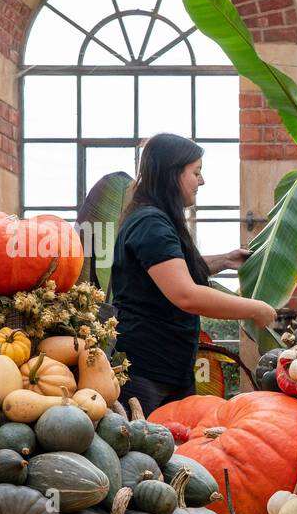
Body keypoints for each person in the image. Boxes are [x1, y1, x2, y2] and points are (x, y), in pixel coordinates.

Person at [112, 133, 278, 415]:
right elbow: (185, 294)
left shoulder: (155, 218)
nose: (201, 181)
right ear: (171, 174)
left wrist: (225, 260)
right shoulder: (151, 223)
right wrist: (254, 309)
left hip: (170, 368)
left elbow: (171, 269)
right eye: (196, 172)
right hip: (148, 370)